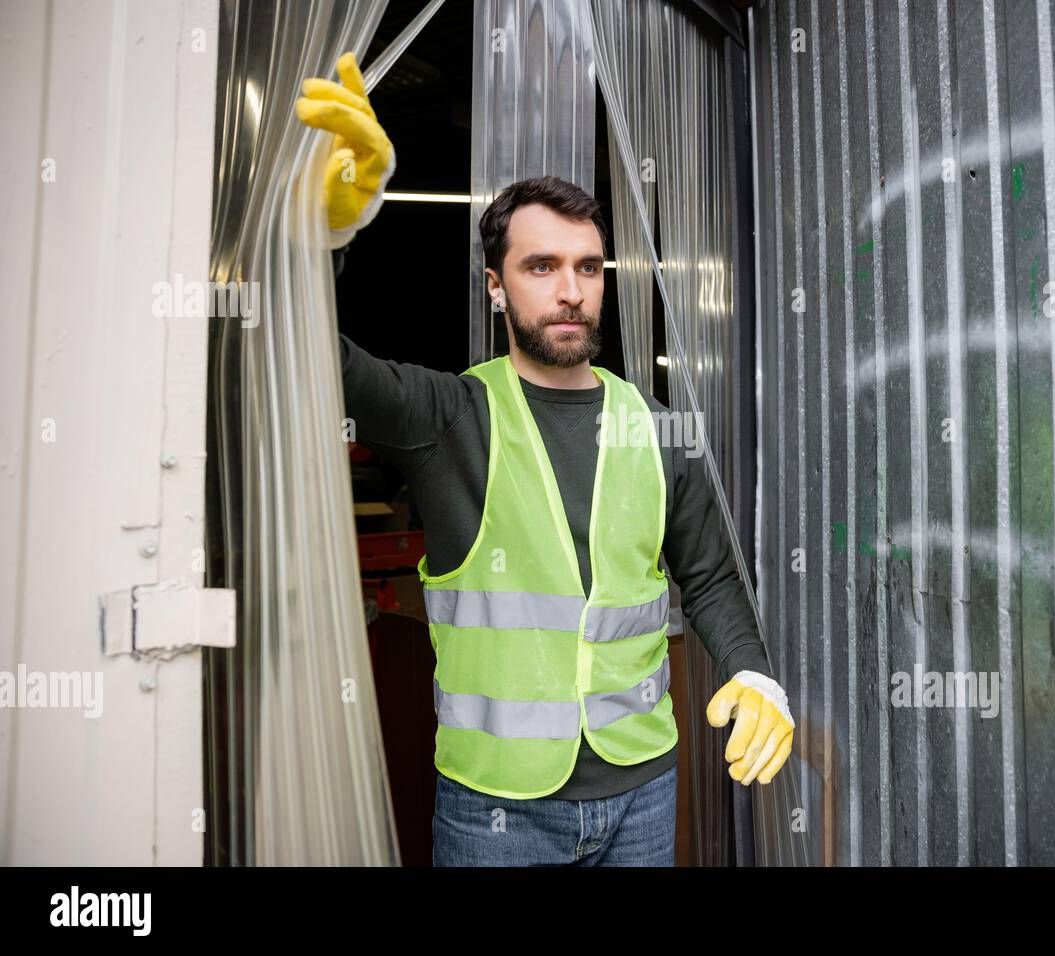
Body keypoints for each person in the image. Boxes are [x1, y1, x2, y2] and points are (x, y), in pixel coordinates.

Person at [295, 53, 794, 867]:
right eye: (541, 267)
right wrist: (326, 242)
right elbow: (309, 362)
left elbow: (707, 575)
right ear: (496, 287)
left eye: (588, 268)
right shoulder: (448, 416)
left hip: (642, 790)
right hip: (497, 810)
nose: (571, 289)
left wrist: (756, 674)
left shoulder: (656, 427)